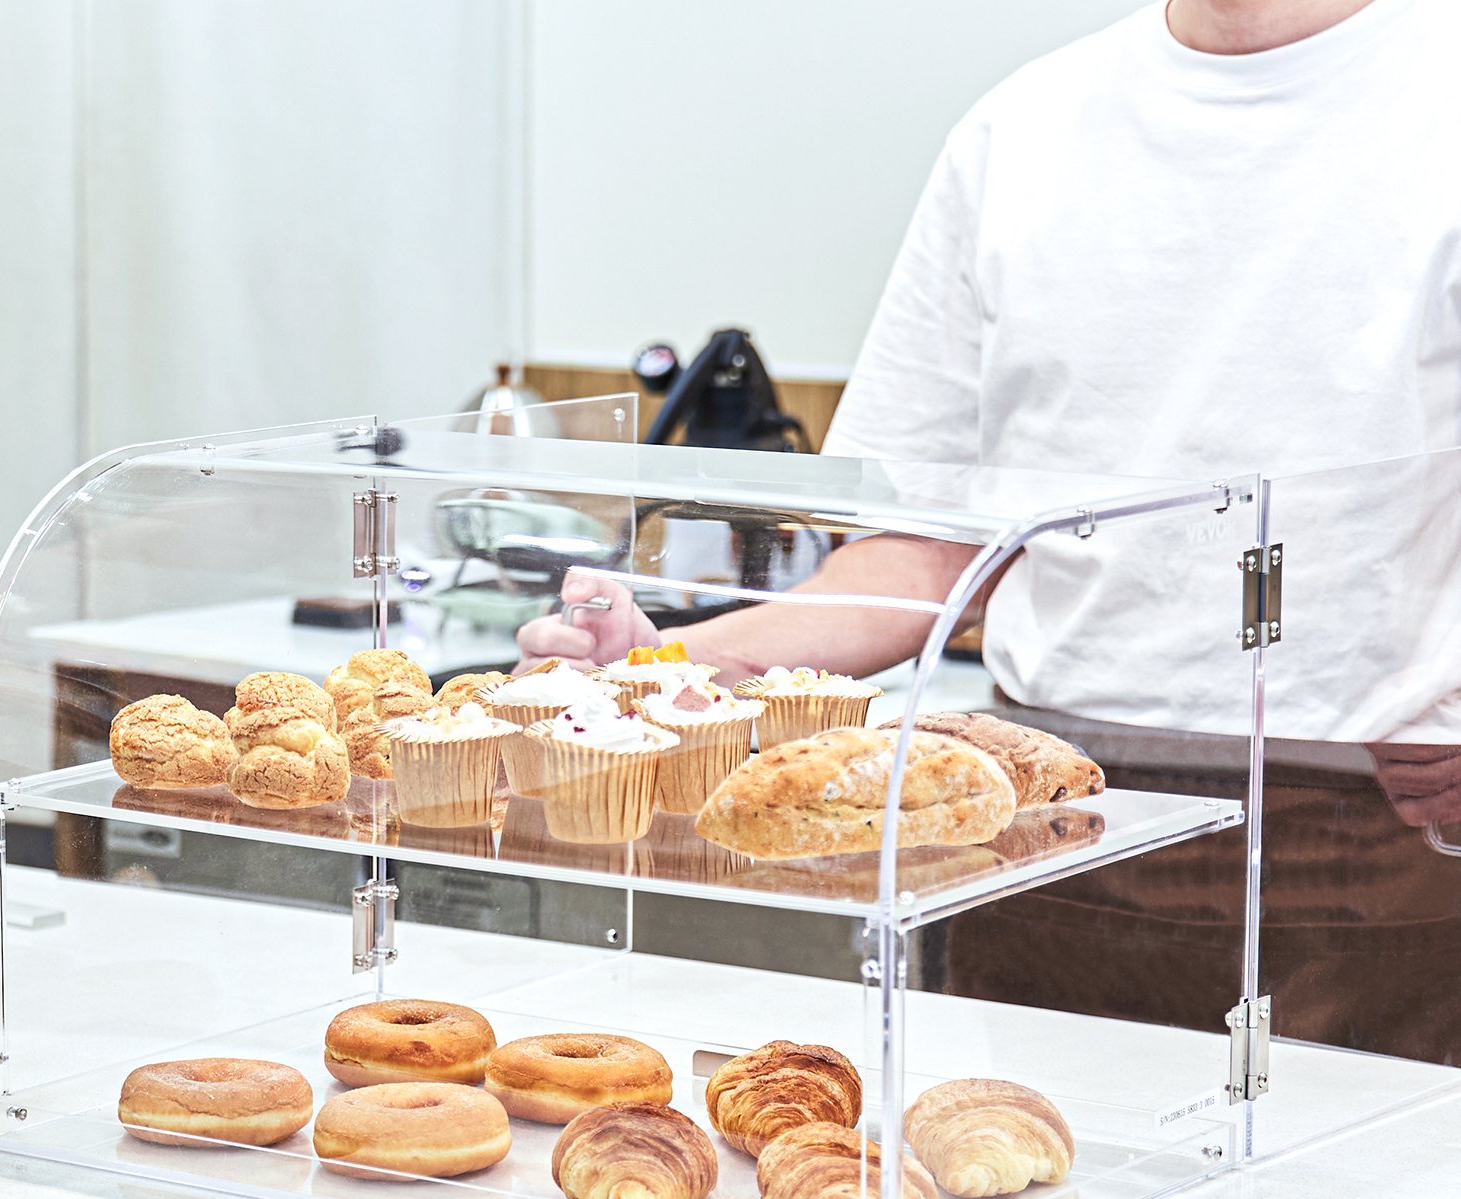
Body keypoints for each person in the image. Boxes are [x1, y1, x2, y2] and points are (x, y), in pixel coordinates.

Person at [516, 0, 1461, 1063]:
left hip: (1372, 835)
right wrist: (658, 668)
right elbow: (923, 552)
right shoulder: (1022, 132)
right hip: (1033, 812)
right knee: (1006, 1197)